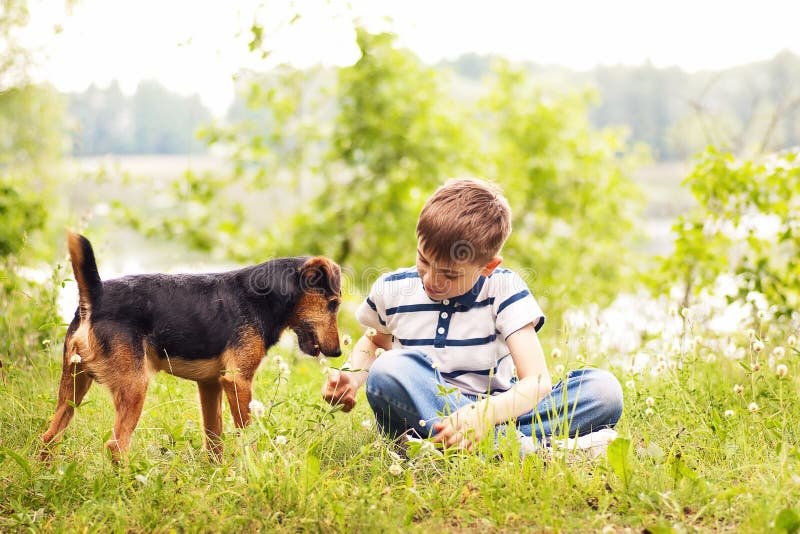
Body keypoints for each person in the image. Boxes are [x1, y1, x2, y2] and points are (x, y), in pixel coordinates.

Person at [322, 178, 623, 455]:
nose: (430, 279)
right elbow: (374, 343)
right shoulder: (393, 288)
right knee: (388, 370)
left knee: (603, 391)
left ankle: (473, 448)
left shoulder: (503, 289)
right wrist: (353, 376)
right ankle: (533, 451)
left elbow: (538, 382)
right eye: (423, 260)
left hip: (495, 411)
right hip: (426, 408)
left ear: (488, 266)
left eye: (449, 274)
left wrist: (483, 415)